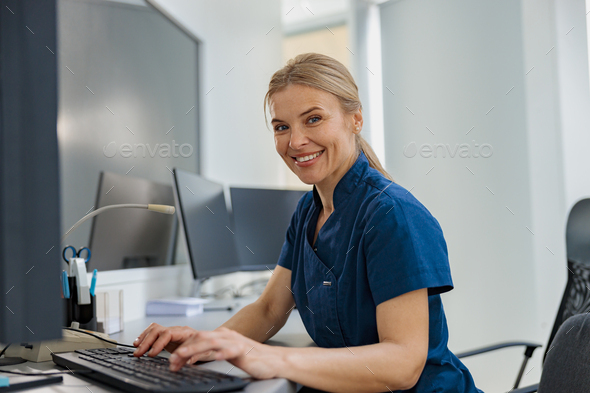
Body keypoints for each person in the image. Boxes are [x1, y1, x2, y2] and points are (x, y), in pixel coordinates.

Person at [133, 53, 483, 393]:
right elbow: (269, 308)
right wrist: (206, 343)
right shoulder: (307, 211)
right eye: (281, 127)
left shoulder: (393, 215)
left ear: (355, 119)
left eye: (313, 119)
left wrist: (273, 359)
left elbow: (403, 365)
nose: (296, 141)